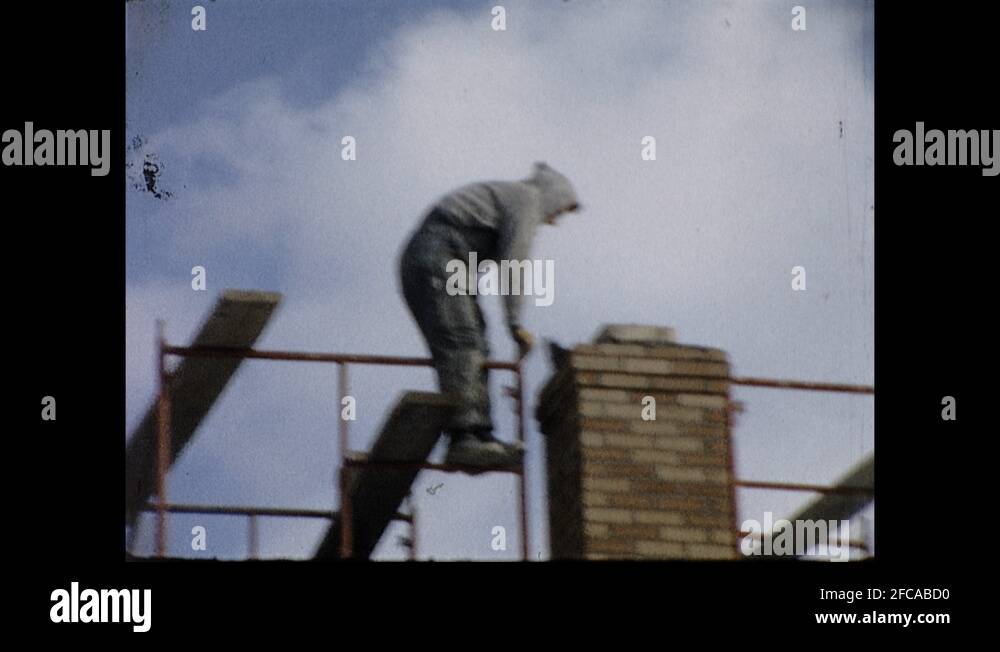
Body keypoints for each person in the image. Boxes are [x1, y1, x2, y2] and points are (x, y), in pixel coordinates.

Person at [398, 162, 581, 470]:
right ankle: (466, 438)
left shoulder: (514, 197)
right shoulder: (527, 200)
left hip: (435, 257)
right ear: (552, 197)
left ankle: (478, 435)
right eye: (559, 211)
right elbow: (513, 265)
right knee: (463, 340)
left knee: (473, 342)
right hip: (438, 255)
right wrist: (515, 324)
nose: (554, 221)